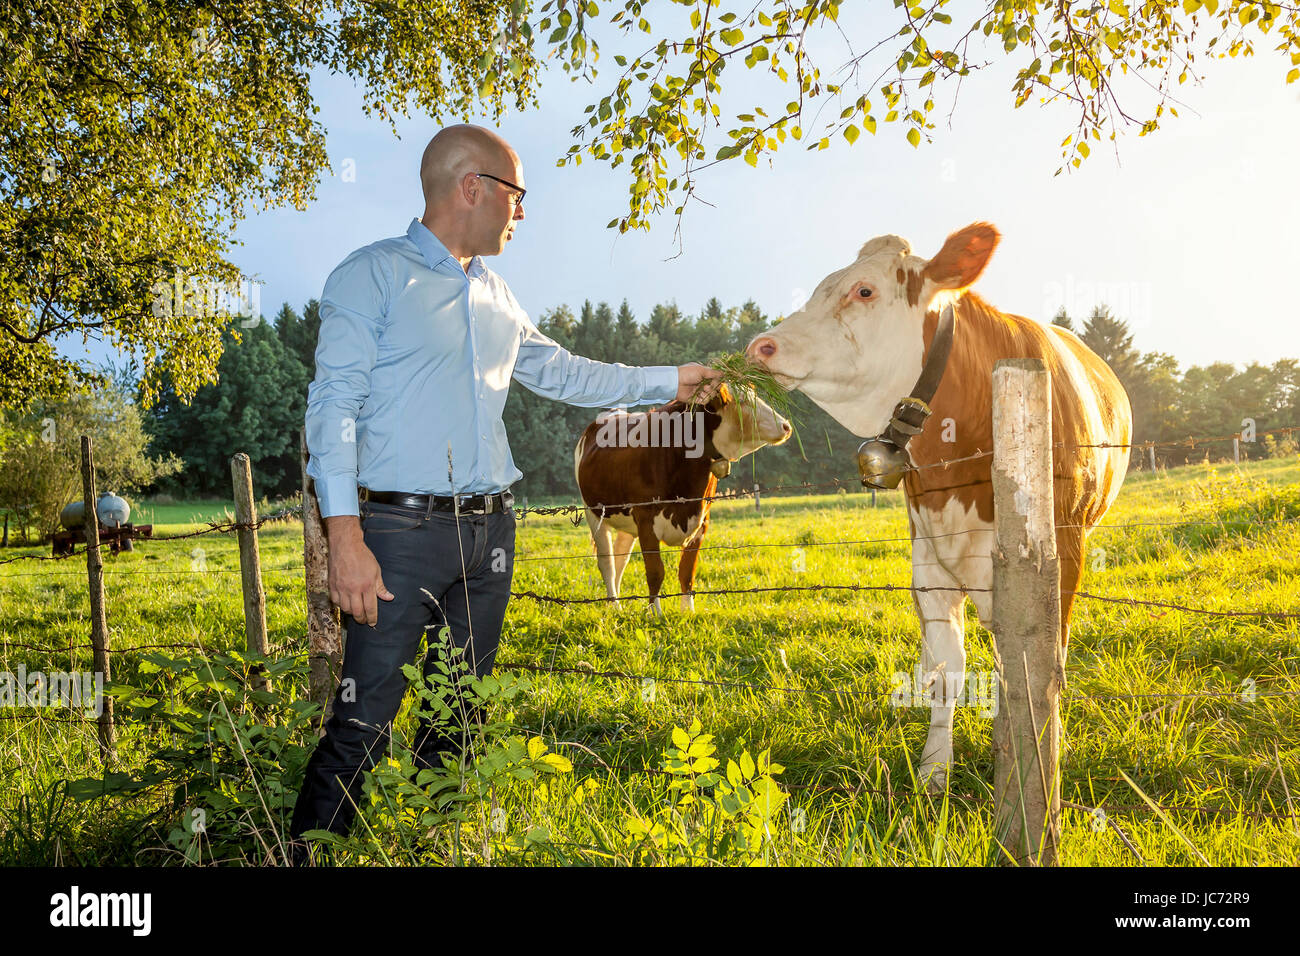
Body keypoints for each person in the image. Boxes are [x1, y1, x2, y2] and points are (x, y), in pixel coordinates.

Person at [287, 124, 722, 864]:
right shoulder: (373, 275)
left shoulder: (495, 293)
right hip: (395, 533)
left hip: (489, 534)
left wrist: (669, 379)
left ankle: (432, 848)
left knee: (459, 716)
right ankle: (298, 855)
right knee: (364, 722)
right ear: (472, 188)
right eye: (517, 194)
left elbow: (564, 373)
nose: (522, 212)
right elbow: (332, 411)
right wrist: (345, 536)